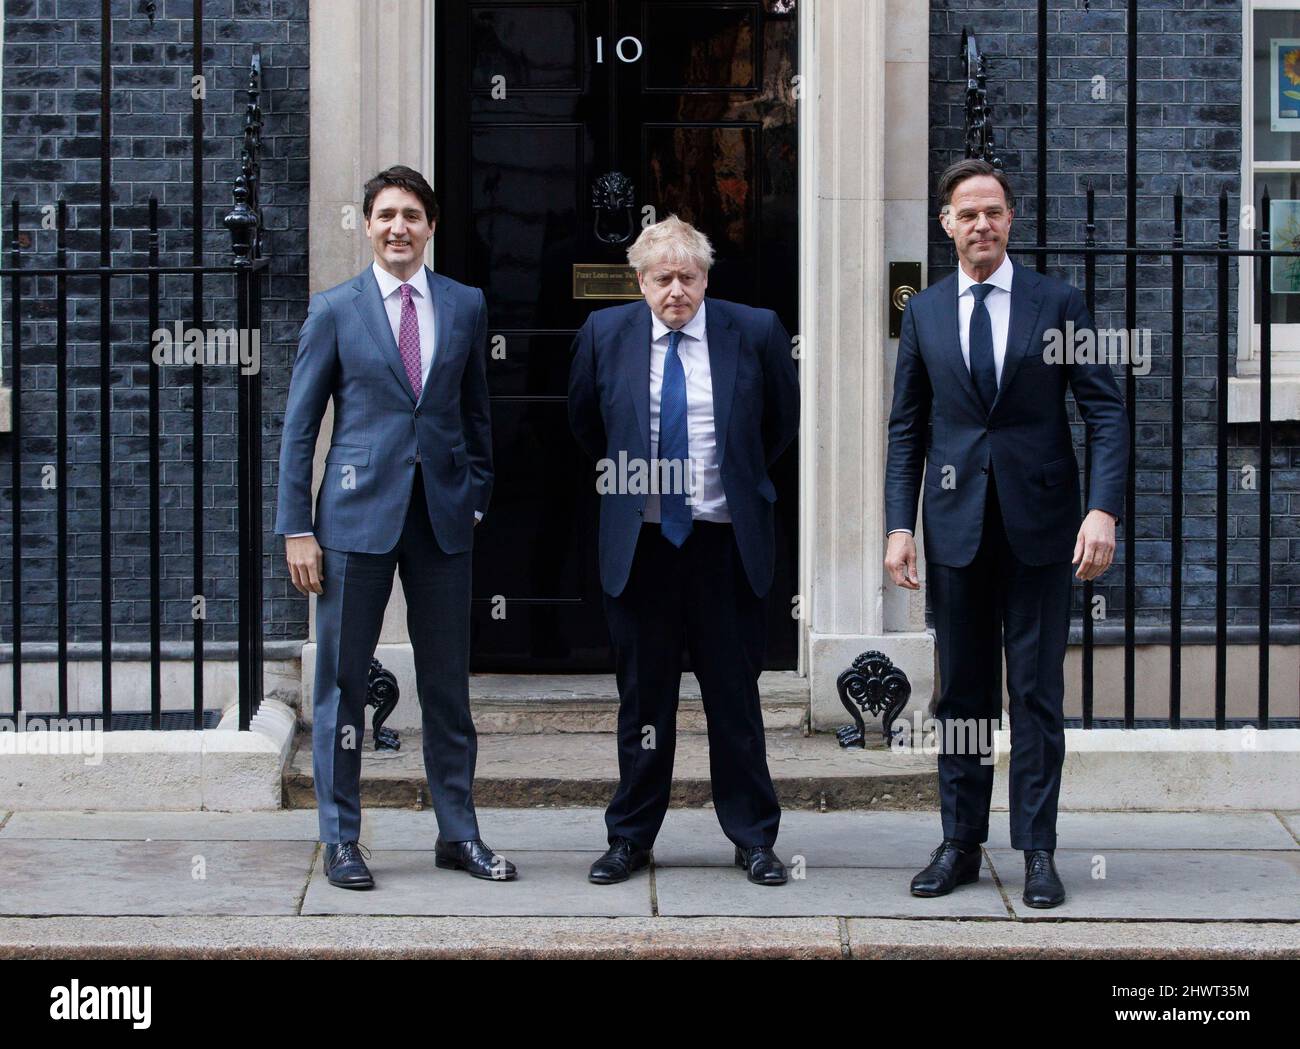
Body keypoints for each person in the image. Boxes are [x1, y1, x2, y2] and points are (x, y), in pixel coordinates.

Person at [884, 158, 1128, 908]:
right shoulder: (923, 313)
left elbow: (1107, 411)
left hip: (1043, 528)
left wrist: (1103, 509)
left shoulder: (1058, 303)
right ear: (947, 225)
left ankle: (1039, 850)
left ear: (1010, 219)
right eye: (967, 213)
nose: (981, 223)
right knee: (960, 696)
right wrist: (899, 524)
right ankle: (959, 842)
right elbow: (908, 428)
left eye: (993, 211)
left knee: (1035, 692)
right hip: (955, 529)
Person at [275, 165, 515, 889]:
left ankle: (458, 832)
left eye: (411, 214)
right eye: (385, 215)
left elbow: (476, 416)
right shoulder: (335, 309)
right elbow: (299, 427)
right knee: (343, 687)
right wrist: (296, 527)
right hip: (352, 520)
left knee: (448, 688)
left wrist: (475, 496)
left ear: (430, 225)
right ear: (368, 224)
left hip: (442, 521)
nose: (398, 227)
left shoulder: (465, 305)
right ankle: (343, 838)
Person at [568, 216, 800, 886]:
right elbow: (588, 423)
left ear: (706, 278)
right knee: (643, 702)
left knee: (735, 698)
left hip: (723, 546)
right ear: (640, 281)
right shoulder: (604, 335)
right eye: (663, 278)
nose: (677, 290)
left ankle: (754, 837)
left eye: (689, 277)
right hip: (642, 548)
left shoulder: (753, 331)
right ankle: (631, 836)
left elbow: (777, 425)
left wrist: (734, 476)